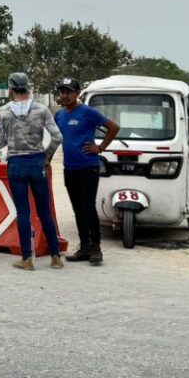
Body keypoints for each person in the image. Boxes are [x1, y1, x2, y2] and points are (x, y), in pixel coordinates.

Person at [0, 73, 63, 270]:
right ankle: (55, 256)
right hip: (37, 162)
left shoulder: (3, 111)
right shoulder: (41, 109)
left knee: (23, 211)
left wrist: (11, 137)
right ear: (28, 87)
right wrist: (47, 156)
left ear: (10, 89)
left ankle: (27, 259)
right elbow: (57, 137)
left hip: (16, 164)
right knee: (44, 211)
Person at [54, 78, 120, 266]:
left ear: (77, 93)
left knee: (88, 207)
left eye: (69, 92)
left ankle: (96, 248)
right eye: (62, 92)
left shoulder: (87, 112)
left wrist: (100, 148)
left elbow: (113, 128)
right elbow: (56, 138)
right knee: (77, 208)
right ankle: (84, 247)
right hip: (69, 168)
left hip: (88, 167)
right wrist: (47, 158)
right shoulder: (59, 115)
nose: (65, 96)